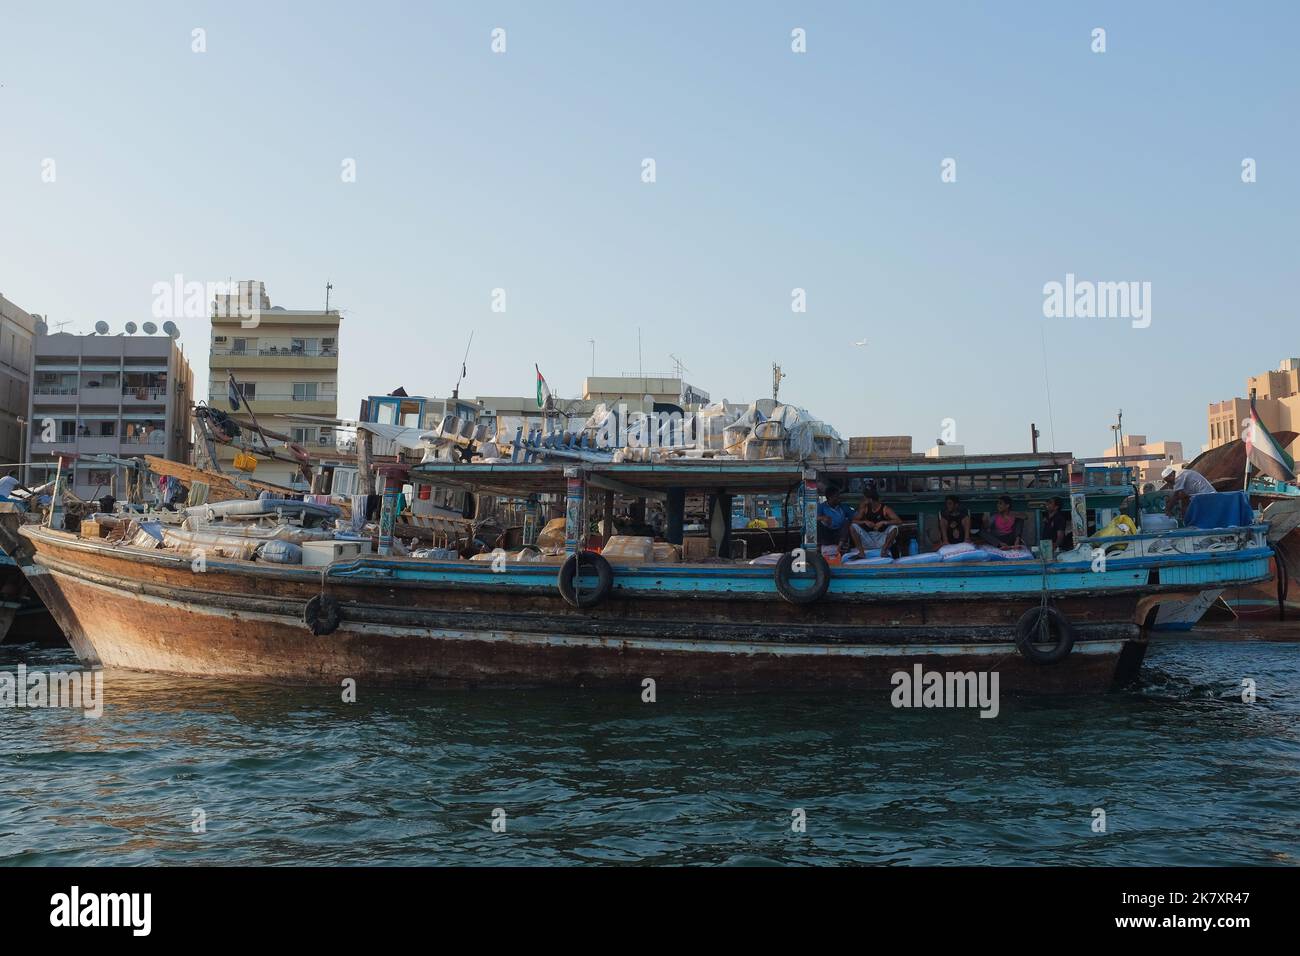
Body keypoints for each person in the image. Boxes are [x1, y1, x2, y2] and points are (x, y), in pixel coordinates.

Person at [850, 488, 901, 557]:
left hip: (881, 538)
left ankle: (884, 551)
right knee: (852, 526)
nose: (864, 500)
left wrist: (884, 522)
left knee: (894, 528)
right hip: (868, 538)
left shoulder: (885, 509)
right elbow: (853, 521)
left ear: (870, 500)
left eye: (865, 499)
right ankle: (861, 553)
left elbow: (899, 521)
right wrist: (864, 522)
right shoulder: (865, 508)